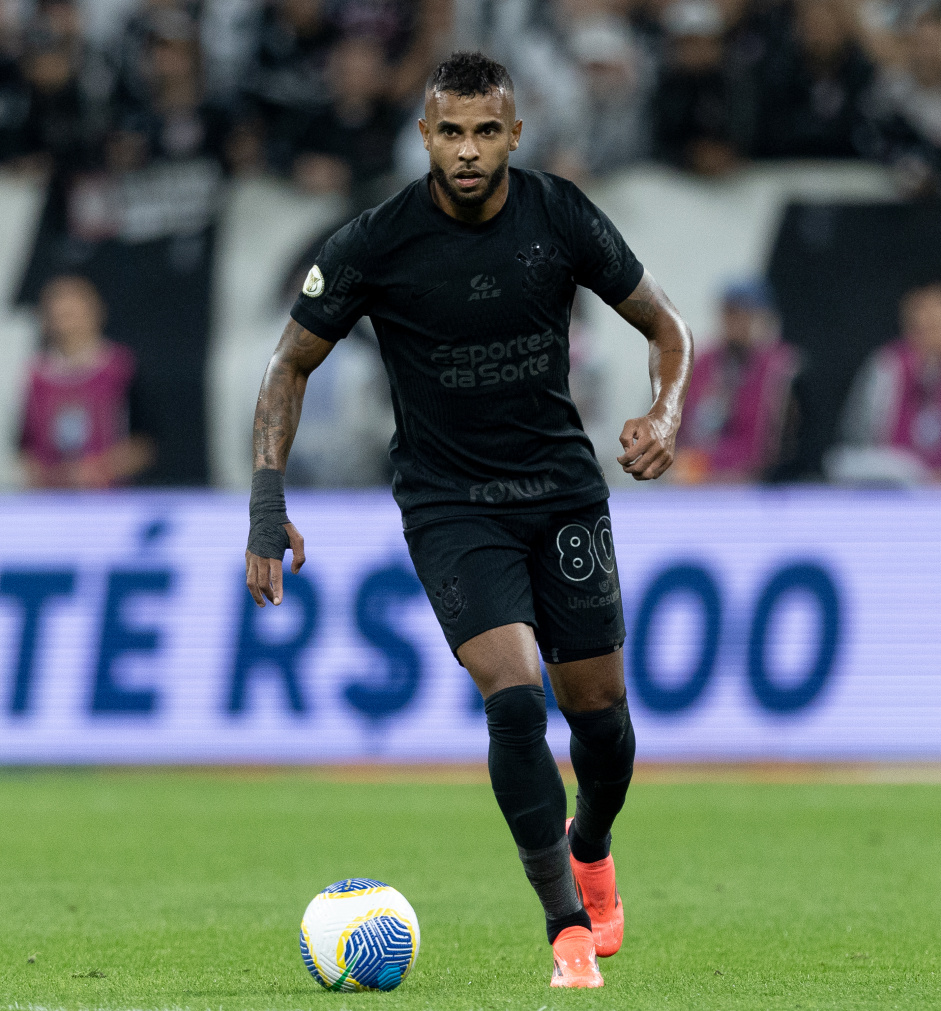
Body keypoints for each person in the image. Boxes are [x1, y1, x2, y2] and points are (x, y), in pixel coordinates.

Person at [244, 51, 693, 988]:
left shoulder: (557, 214)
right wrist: (265, 503)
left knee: (601, 719)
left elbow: (666, 328)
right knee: (514, 697)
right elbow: (289, 364)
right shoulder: (374, 241)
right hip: (451, 506)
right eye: (450, 131)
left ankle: (592, 843)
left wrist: (665, 412)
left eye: (486, 131)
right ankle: (565, 929)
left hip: (563, 492)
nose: (467, 150)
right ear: (424, 135)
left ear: (514, 134)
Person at [19, 275, 156, 488]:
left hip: (108, 499)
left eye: (73, 313)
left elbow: (146, 441)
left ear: (96, 312)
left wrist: (102, 469)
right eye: (59, 314)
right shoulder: (33, 374)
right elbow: (24, 445)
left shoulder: (121, 368)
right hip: (48, 501)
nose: (66, 323)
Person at [673, 278, 798, 483]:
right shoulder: (702, 363)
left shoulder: (779, 367)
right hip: (696, 478)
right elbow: (683, 430)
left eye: (745, 314)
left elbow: (765, 445)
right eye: (729, 313)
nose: (736, 322)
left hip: (755, 482)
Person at [831, 282, 941, 483]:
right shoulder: (888, 365)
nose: (926, 329)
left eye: (934, 323)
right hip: (892, 476)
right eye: (920, 324)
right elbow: (858, 432)